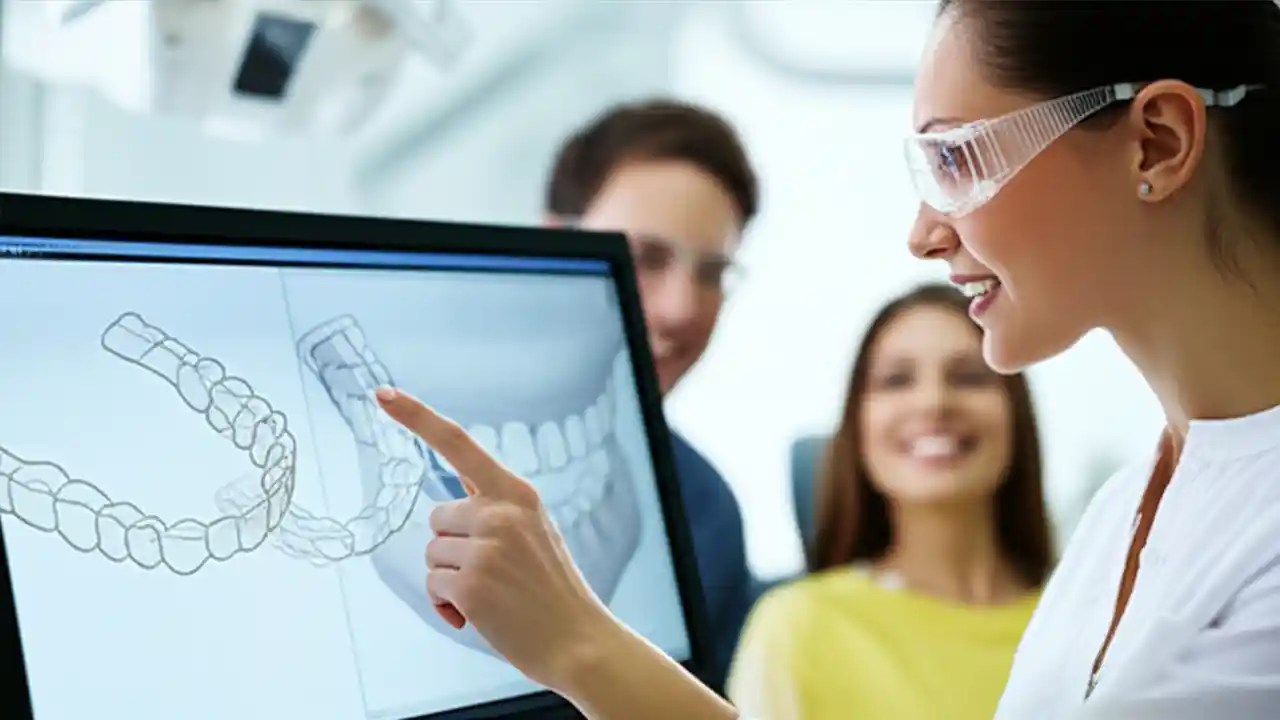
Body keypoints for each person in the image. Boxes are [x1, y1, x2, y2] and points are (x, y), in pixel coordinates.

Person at [371, 1, 1280, 717]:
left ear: (1156, 142)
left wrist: (577, 646)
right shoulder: (1127, 510)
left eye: (958, 156)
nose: (923, 232)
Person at [725, 283, 1051, 720]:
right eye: (897, 380)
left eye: (969, 377)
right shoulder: (796, 627)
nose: (934, 402)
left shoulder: (1093, 620)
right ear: (857, 426)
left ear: (1015, 413)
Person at [542, 98, 763, 694]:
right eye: (644, 258)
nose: (681, 310)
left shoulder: (706, 511)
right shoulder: (408, 452)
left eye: (713, 274)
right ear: (550, 244)